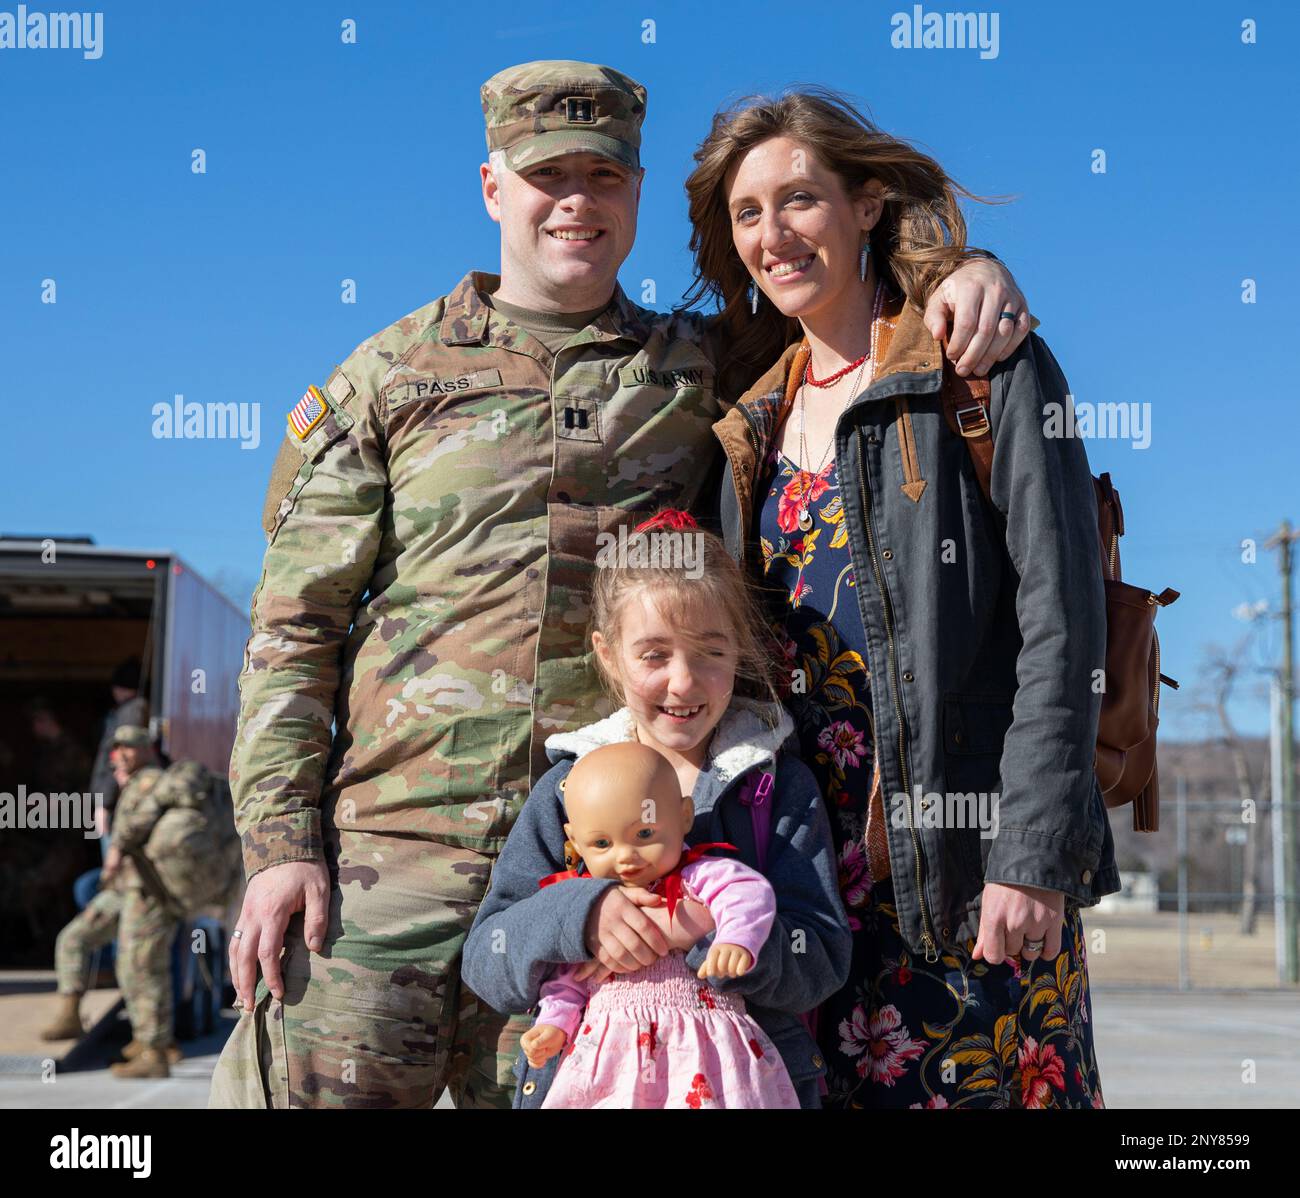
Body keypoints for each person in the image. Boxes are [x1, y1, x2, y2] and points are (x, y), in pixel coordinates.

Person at [209, 59, 1031, 1109]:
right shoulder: (391, 378)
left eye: (603, 176)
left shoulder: (704, 369)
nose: (576, 202)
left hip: (621, 887)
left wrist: (959, 268)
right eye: (546, 174)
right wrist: (280, 847)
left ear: (636, 193)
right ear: (492, 187)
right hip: (388, 870)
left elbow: (837, 292)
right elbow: (293, 626)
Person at [691, 88, 1117, 1107]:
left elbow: (1063, 624)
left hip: (968, 877)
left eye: (798, 199)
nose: (771, 234)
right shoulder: (745, 425)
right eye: (747, 213)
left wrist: (1030, 853)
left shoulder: (979, 369)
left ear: (868, 200)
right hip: (801, 902)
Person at [462, 511, 850, 1107]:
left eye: (710, 652)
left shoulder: (775, 789)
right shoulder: (570, 789)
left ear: (739, 650)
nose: (683, 682)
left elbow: (819, 958)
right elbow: (488, 959)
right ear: (609, 656)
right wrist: (582, 917)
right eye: (653, 655)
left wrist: (712, 932)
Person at [520, 740, 801, 1109]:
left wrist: (734, 938)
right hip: (611, 1059)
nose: (626, 856)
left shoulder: (697, 876)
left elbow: (746, 892)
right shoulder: (587, 909)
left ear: (685, 816)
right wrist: (554, 1024)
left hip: (704, 1049)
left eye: (645, 834)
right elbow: (566, 981)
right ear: (575, 841)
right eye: (602, 843)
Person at [40, 726, 184, 1077]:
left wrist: (113, 857)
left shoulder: (149, 782)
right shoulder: (132, 783)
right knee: (75, 939)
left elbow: (133, 829)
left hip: (145, 891)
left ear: (144, 749)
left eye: (129, 748)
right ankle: (73, 1015)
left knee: (140, 966)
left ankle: (155, 1049)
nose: (122, 754)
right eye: (118, 748)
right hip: (125, 890)